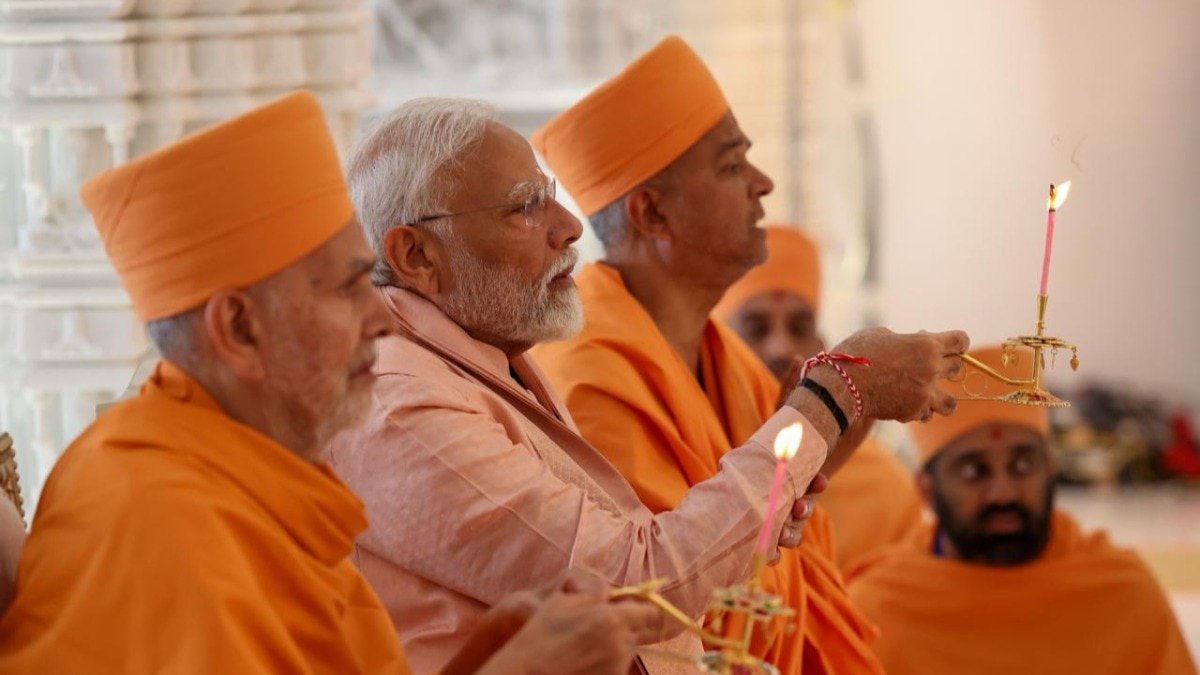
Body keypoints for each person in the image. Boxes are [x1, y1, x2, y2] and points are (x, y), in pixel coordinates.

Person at [0, 91, 658, 675]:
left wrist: (496, 647)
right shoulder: (160, 518)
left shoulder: (251, 465)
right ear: (239, 327)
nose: (382, 316)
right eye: (349, 287)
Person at [330, 90, 965, 673]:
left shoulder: (491, 353)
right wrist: (836, 393)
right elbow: (642, 583)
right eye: (525, 206)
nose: (569, 225)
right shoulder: (398, 401)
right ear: (416, 256)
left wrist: (768, 508)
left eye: (551, 195)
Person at [531, 35, 917, 673]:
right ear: (652, 211)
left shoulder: (724, 354)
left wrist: (840, 423)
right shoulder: (589, 375)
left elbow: (775, 532)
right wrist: (839, 400)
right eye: (733, 166)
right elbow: (669, 608)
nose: (762, 186)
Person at [844, 345, 1198, 675]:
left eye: (1023, 464)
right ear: (927, 490)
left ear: (1050, 468)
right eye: (973, 470)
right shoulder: (879, 612)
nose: (1003, 492)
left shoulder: (1122, 596)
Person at [713, 224, 924, 572]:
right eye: (755, 328)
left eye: (799, 328)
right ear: (721, 347)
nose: (781, 348)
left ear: (822, 348)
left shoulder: (885, 488)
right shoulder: (699, 458)